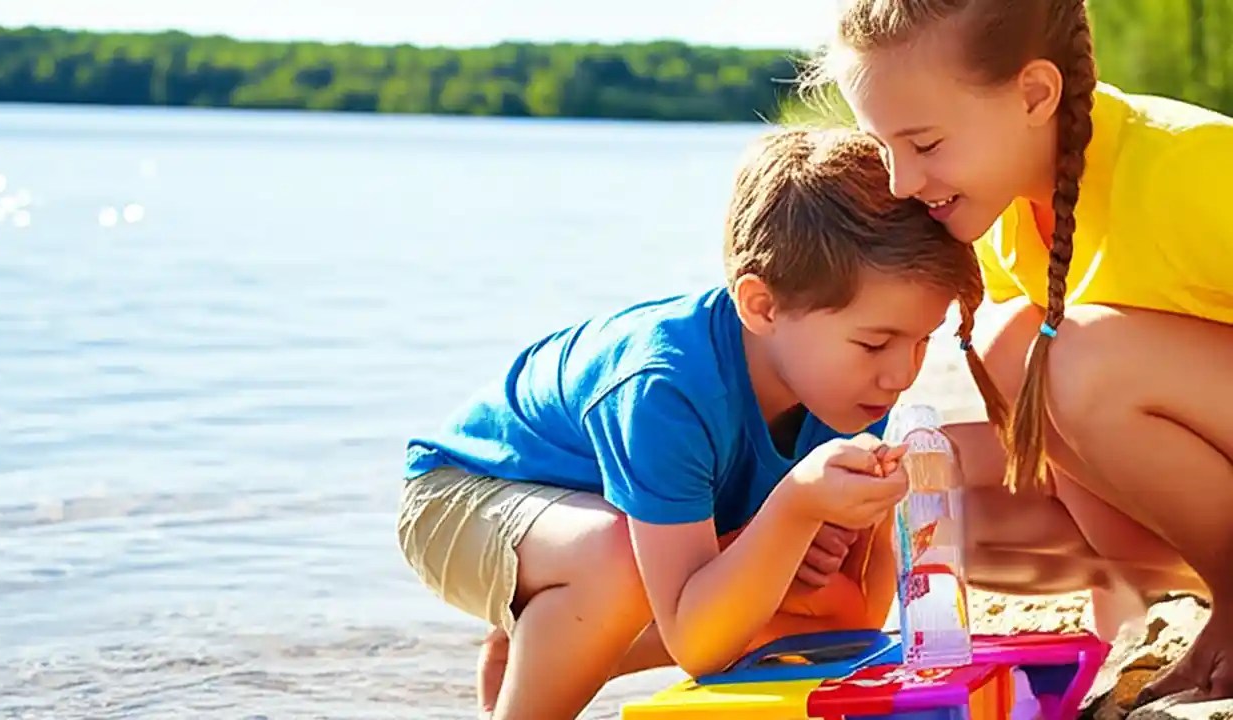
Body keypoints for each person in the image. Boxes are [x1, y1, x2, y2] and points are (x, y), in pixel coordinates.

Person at [396, 126, 991, 719]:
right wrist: (796, 509)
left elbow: (858, 619)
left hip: (609, 526)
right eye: (876, 343)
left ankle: (543, 640)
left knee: (822, 599)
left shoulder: (846, 382)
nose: (900, 375)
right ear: (762, 306)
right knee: (617, 560)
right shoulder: (665, 386)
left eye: (920, 343)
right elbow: (698, 646)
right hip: (459, 497)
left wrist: (876, 514)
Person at [814, 0, 1233, 704]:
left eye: (924, 145)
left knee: (1074, 362)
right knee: (955, 485)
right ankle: (1140, 599)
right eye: (884, 148)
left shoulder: (1190, 170)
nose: (901, 182)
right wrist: (895, 474)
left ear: (1035, 95)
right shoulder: (1007, 214)